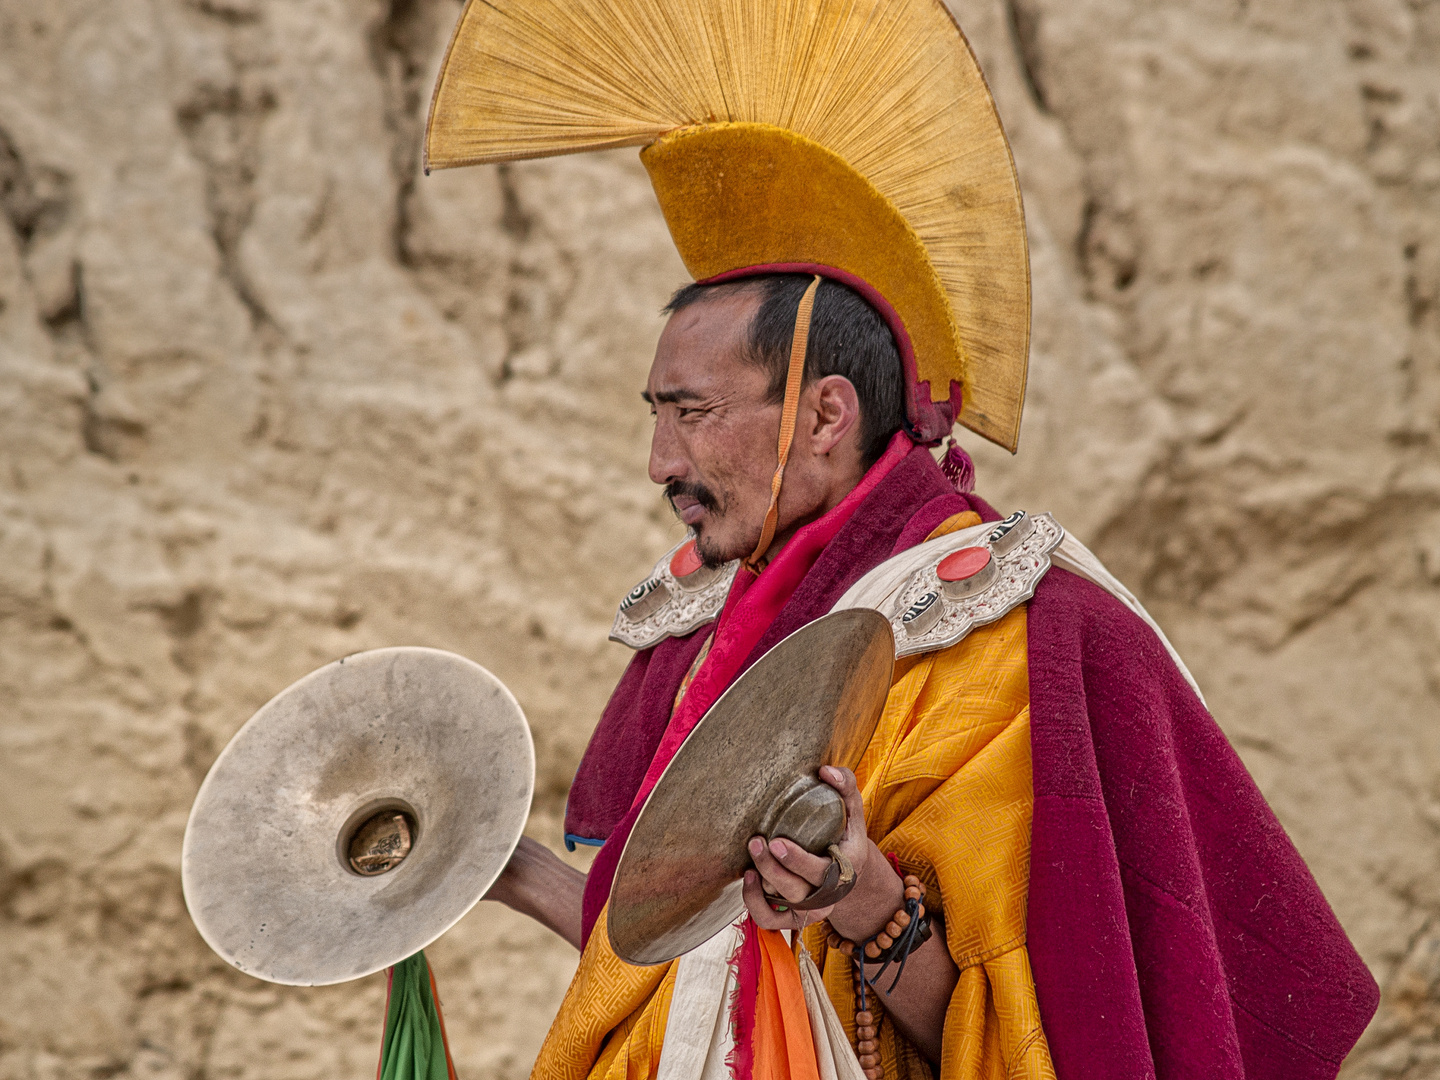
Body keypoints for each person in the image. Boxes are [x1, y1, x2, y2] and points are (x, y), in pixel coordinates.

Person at [424, 2, 1379, 1078]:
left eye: (690, 413)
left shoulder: (1027, 634)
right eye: (654, 413)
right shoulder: (697, 636)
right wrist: (497, 868)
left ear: (824, 415)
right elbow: (679, 972)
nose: (659, 463)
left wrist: (861, 899)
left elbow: (1072, 1039)